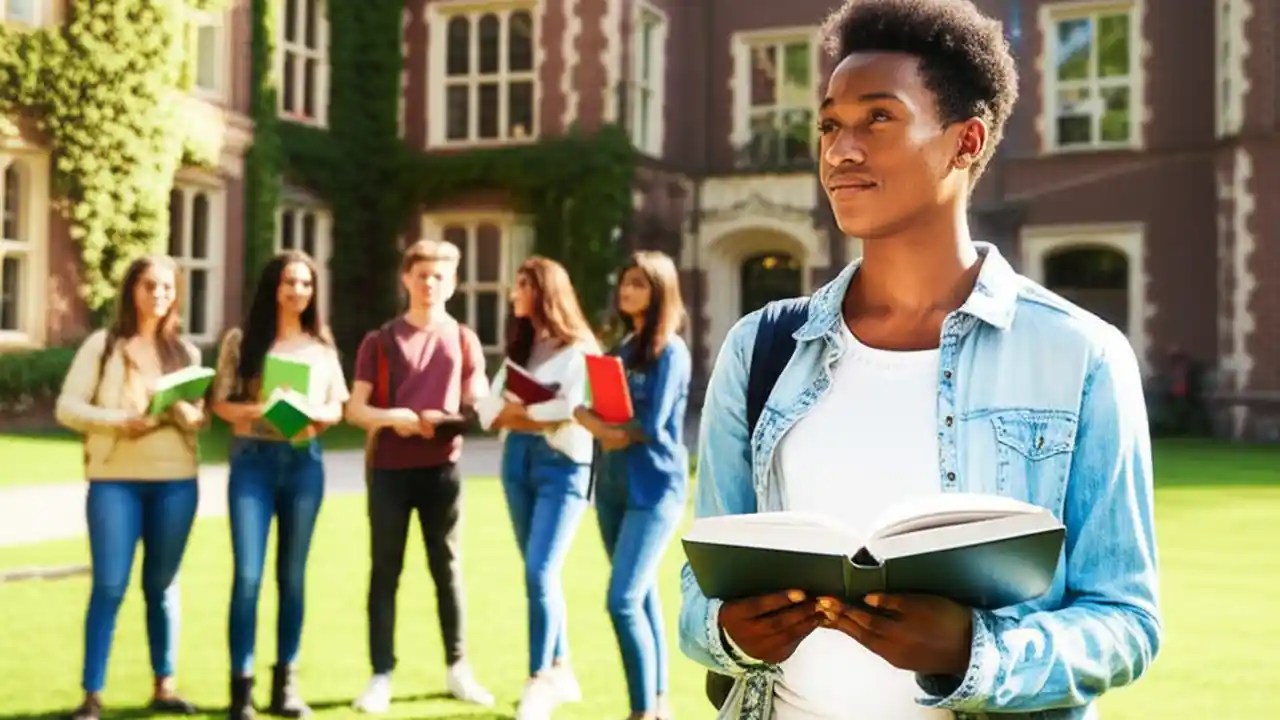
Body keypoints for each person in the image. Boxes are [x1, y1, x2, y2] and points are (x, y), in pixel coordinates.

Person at [678, 1, 1162, 719]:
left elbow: (1126, 621)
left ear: (966, 141)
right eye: (829, 124)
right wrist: (727, 631)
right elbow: (697, 595)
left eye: (878, 118)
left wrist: (973, 655)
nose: (841, 150)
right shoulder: (761, 348)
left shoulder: (1080, 356)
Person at [346, 239, 495, 713]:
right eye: (422, 275)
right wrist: (398, 418)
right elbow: (355, 408)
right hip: (389, 470)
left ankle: (458, 669)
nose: (429, 283)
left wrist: (454, 414)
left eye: (439, 276)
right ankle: (380, 675)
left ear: (451, 283)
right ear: (405, 279)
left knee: (446, 570)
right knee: (385, 571)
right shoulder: (380, 340)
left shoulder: (464, 339)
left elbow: (478, 402)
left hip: (442, 470)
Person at [55, 255, 206, 720]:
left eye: (166, 287)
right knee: (110, 584)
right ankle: (91, 696)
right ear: (131, 291)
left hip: (176, 481)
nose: (158, 295)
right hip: (115, 481)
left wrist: (187, 413)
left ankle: (164, 687)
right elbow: (68, 407)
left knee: (163, 587)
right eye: (149, 286)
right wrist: (122, 421)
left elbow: (197, 420)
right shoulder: (103, 345)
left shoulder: (187, 353)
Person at [210, 250, 349, 720]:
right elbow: (222, 406)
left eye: (306, 283)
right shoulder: (241, 341)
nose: (298, 291)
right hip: (252, 463)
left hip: (303, 463)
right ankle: (240, 689)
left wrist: (310, 412)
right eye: (289, 282)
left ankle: (285, 685)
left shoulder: (322, 348)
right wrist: (263, 407)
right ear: (273, 286)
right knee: (248, 576)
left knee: (292, 577)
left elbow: (336, 409)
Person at [475, 256, 600, 720]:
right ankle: (561, 667)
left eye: (522, 286)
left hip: (562, 466)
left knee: (539, 572)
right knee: (539, 572)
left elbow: (572, 408)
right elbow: (487, 411)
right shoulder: (521, 348)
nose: (513, 295)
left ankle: (537, 680)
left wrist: (521, 413)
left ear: (544, 292)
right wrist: (523, 414)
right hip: (517, 462)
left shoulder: (581, 348)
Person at [574, 251, 691, 720]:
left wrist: (601, 428)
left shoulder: (672, 352)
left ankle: (641, 711)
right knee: (639, 596)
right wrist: (587, 414)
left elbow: (650, 421)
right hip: (612, 487)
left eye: (639, 284)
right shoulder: (621, 350)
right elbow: (604, 408)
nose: (627, 291)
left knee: (620, 599)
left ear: (660, 290)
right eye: (624, 283)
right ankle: (659, 705)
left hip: (654, 487)